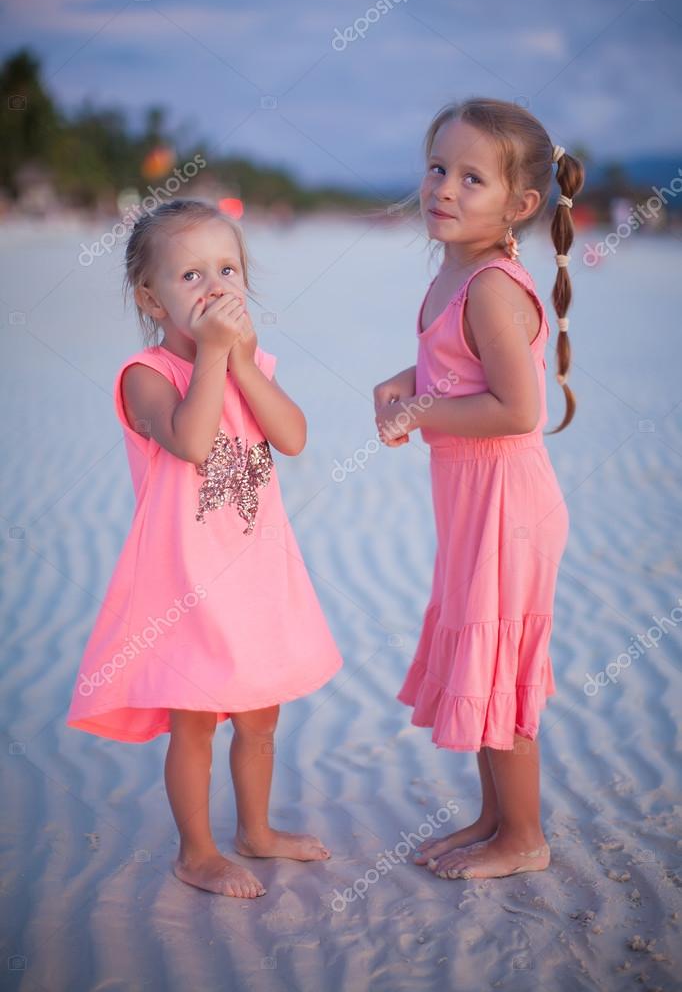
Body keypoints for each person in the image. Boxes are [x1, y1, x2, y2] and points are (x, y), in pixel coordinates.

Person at [66, 199, 343, 898]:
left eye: (227, 269)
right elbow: (191, 441)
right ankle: (196, 850)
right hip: (186, 582)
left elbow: (293, 435)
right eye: (191, 275)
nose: (215, 286)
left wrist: (243, 360)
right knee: (193, 722)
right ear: (150, 297)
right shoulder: (146, 375)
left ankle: (256, 829)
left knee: (260, 715)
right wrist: (217, 354)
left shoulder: (254, 360)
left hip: (256, 570)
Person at [373, 97, 584, 880]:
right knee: (481, 648)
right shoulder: (453, 272)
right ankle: (494, 816)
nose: (444, 188)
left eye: (471, 177)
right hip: (472, 502)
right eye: (437, 169)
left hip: (510, 504)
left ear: (521, 205)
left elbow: (516, 406)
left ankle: (524, 835)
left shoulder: (494, 284)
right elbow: (448, 364)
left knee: (500, 661)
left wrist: (421, 409)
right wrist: (401, 386)